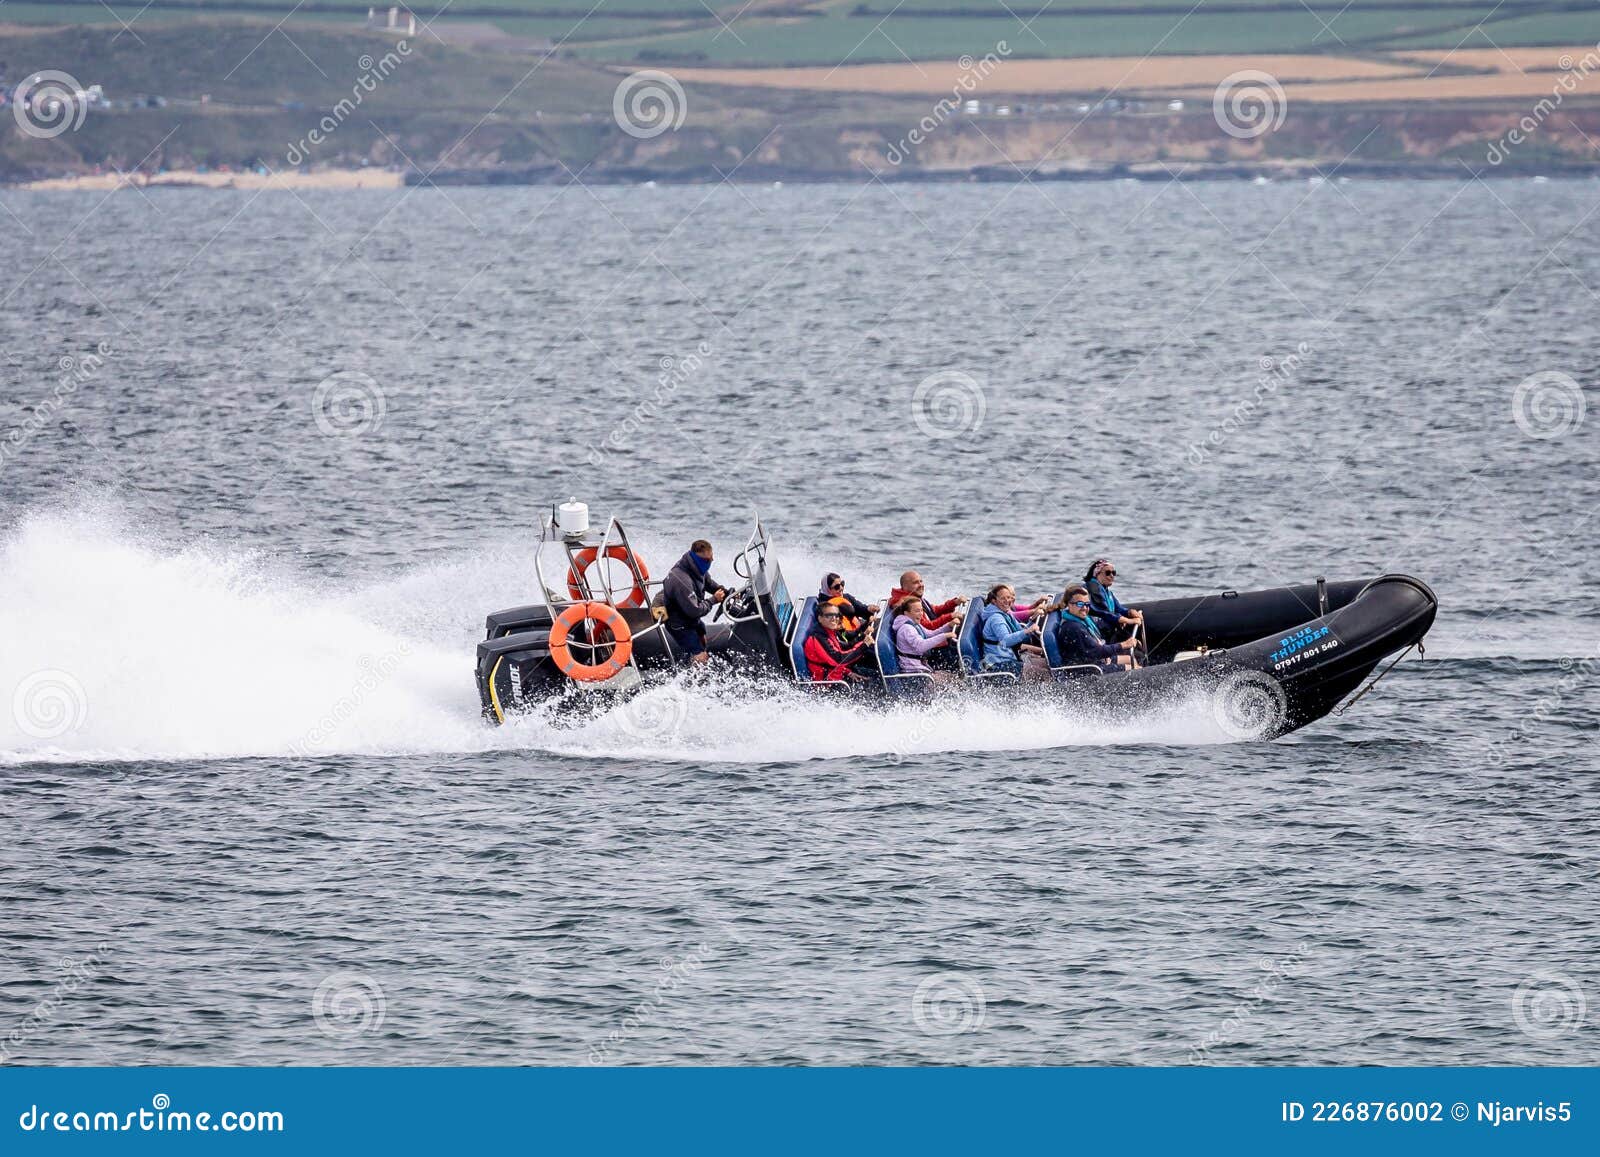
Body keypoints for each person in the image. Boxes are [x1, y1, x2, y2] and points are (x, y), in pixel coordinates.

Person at [659, 539, 728, 665]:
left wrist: (725, 592)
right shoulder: (681, 580)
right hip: (680, 624)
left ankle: (690, 660)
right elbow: (694, 611)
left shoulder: (697, 568)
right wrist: (713, 600)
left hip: (690, 619)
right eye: (707, 560)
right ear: (697, 558)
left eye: (712, 558)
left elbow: (709, 584)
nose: (711, 561)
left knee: (702, 638)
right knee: (700, 656)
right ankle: (694, 681)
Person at [1054, 584, 1137, 674]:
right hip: (1084, 669)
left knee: (1129, 659)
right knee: (1134, 668)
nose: (1084, 608)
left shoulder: (1082, 620)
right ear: (1069, 605)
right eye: (1080, 604)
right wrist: (1123, 645)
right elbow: (1096, 651)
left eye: (1087, 604)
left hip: (1092, 660)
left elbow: (1094, 648)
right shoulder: (1073, 627)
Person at [978, 584, 1047, 679]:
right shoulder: (996, 618)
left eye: (1009, 597)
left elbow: (1020, 632)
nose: (1007, 601)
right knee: (1044, 674)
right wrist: (1027, 631)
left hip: (1008, 656)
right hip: (997, 663)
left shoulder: (1006, 614)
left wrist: (1032, 620)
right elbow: (1006, 641)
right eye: (1003, 598)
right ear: (994, 601)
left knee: (1047, 663)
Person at [890, 593, 959, 684]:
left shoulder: (914, 623)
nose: (921, 614)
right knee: (952, 682)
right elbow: (921, 646)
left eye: (922, 610)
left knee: (953, 678)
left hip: (921, 666)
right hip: (913, 671)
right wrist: (945, 636)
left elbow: (930, 634)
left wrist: (948, 626)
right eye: (917, 611)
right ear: (906, 613)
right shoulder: (907, 629)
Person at [804, 601, 876, 683]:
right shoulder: (819, 638)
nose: (834, 618)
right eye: (829, 615)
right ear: (820, 618)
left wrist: (863, 636)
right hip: (828, 683)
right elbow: (839, 660)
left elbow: (845, 647)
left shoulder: (829, 631)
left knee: (871, 674)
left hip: (838, 673)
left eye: (836, 615)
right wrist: (864, 645)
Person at [1084, 558, 1142, 642]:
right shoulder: (1094, 588)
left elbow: (1119, 608)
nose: (1112, 576)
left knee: (1136, 643)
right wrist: (1126, 620)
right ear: (1097, 574)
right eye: (1108, 573)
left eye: (1113, 573)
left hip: (1108, 628)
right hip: (1097, 629)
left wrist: (1130, 612)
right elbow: (1103, 612)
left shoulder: (1107, 591)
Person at [888, 570, 965, 631]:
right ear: (904, 586)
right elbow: (926, 627)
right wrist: (950, 617)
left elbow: (932, 611)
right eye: (915, 583)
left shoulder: (914, 597)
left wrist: (954, 602)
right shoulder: (907, 603)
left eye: (921, 581)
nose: (921, 585)